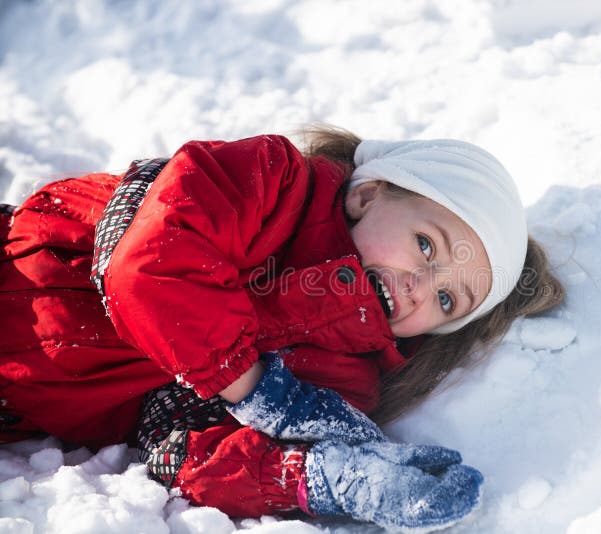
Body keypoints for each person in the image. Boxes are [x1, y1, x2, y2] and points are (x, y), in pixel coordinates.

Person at [0, 125, 563, 530]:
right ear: (369, 194)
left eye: (446, 297)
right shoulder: (272, 182)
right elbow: (147, 265)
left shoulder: (344, 378)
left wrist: (321, 475)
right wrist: (251, 385)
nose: (420, 283)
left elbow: (194, 450)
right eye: (425, 246)